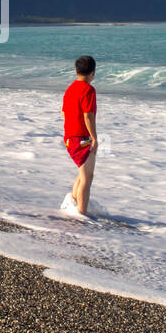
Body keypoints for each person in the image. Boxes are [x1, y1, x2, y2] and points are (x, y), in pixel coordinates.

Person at [62, 55, 98, 217]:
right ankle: (81, 215)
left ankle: (74, 205)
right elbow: (87, 115)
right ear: (93, 73)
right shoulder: (88, 90)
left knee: (82, 174)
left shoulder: (70, 89)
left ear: (76, 71)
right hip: (81, 138)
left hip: (70, 138)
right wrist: (94, 138)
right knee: (87, 178)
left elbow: (64, 113)